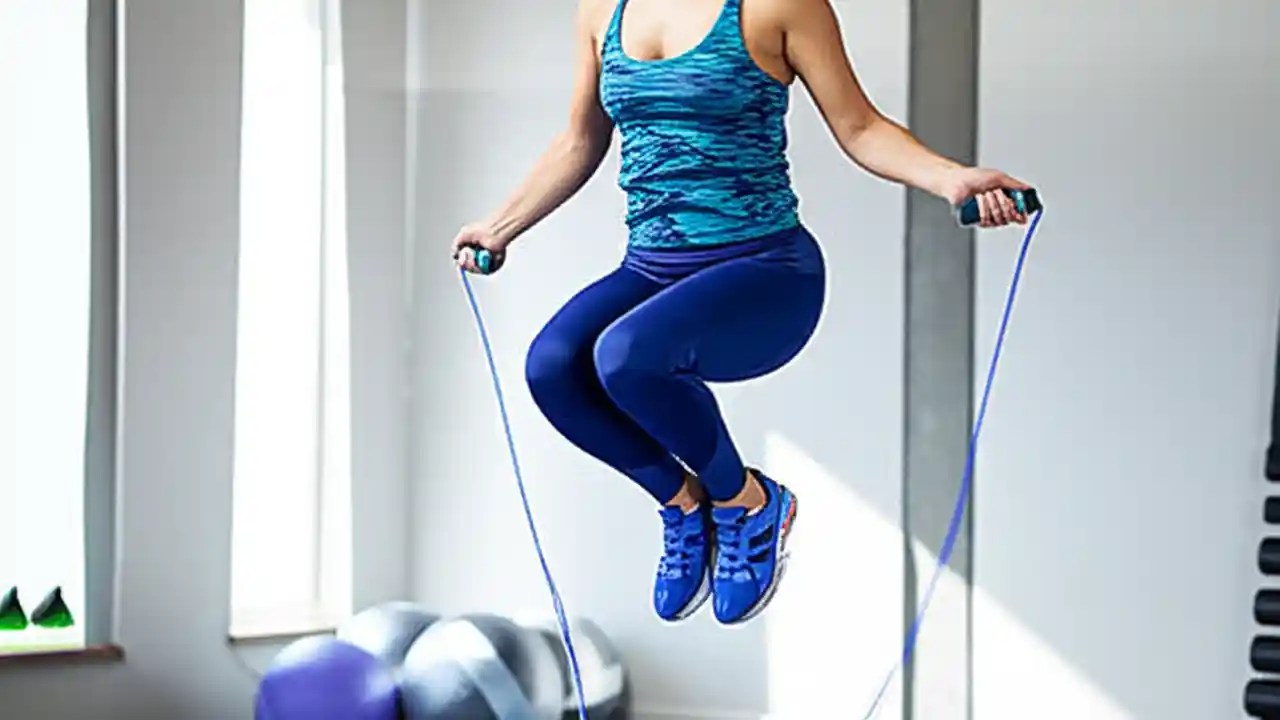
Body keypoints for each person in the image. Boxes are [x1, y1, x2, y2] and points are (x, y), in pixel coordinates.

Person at [451, 0, 1031, 626]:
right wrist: (499, 227)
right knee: (554, 367)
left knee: (625, 354)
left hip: (766, 273)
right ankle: (681, 502)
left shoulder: (777, 7)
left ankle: (749, 503)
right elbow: (579, 139)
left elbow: (860, 127)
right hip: (652, 270)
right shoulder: (602, 12)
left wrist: (952, 179)